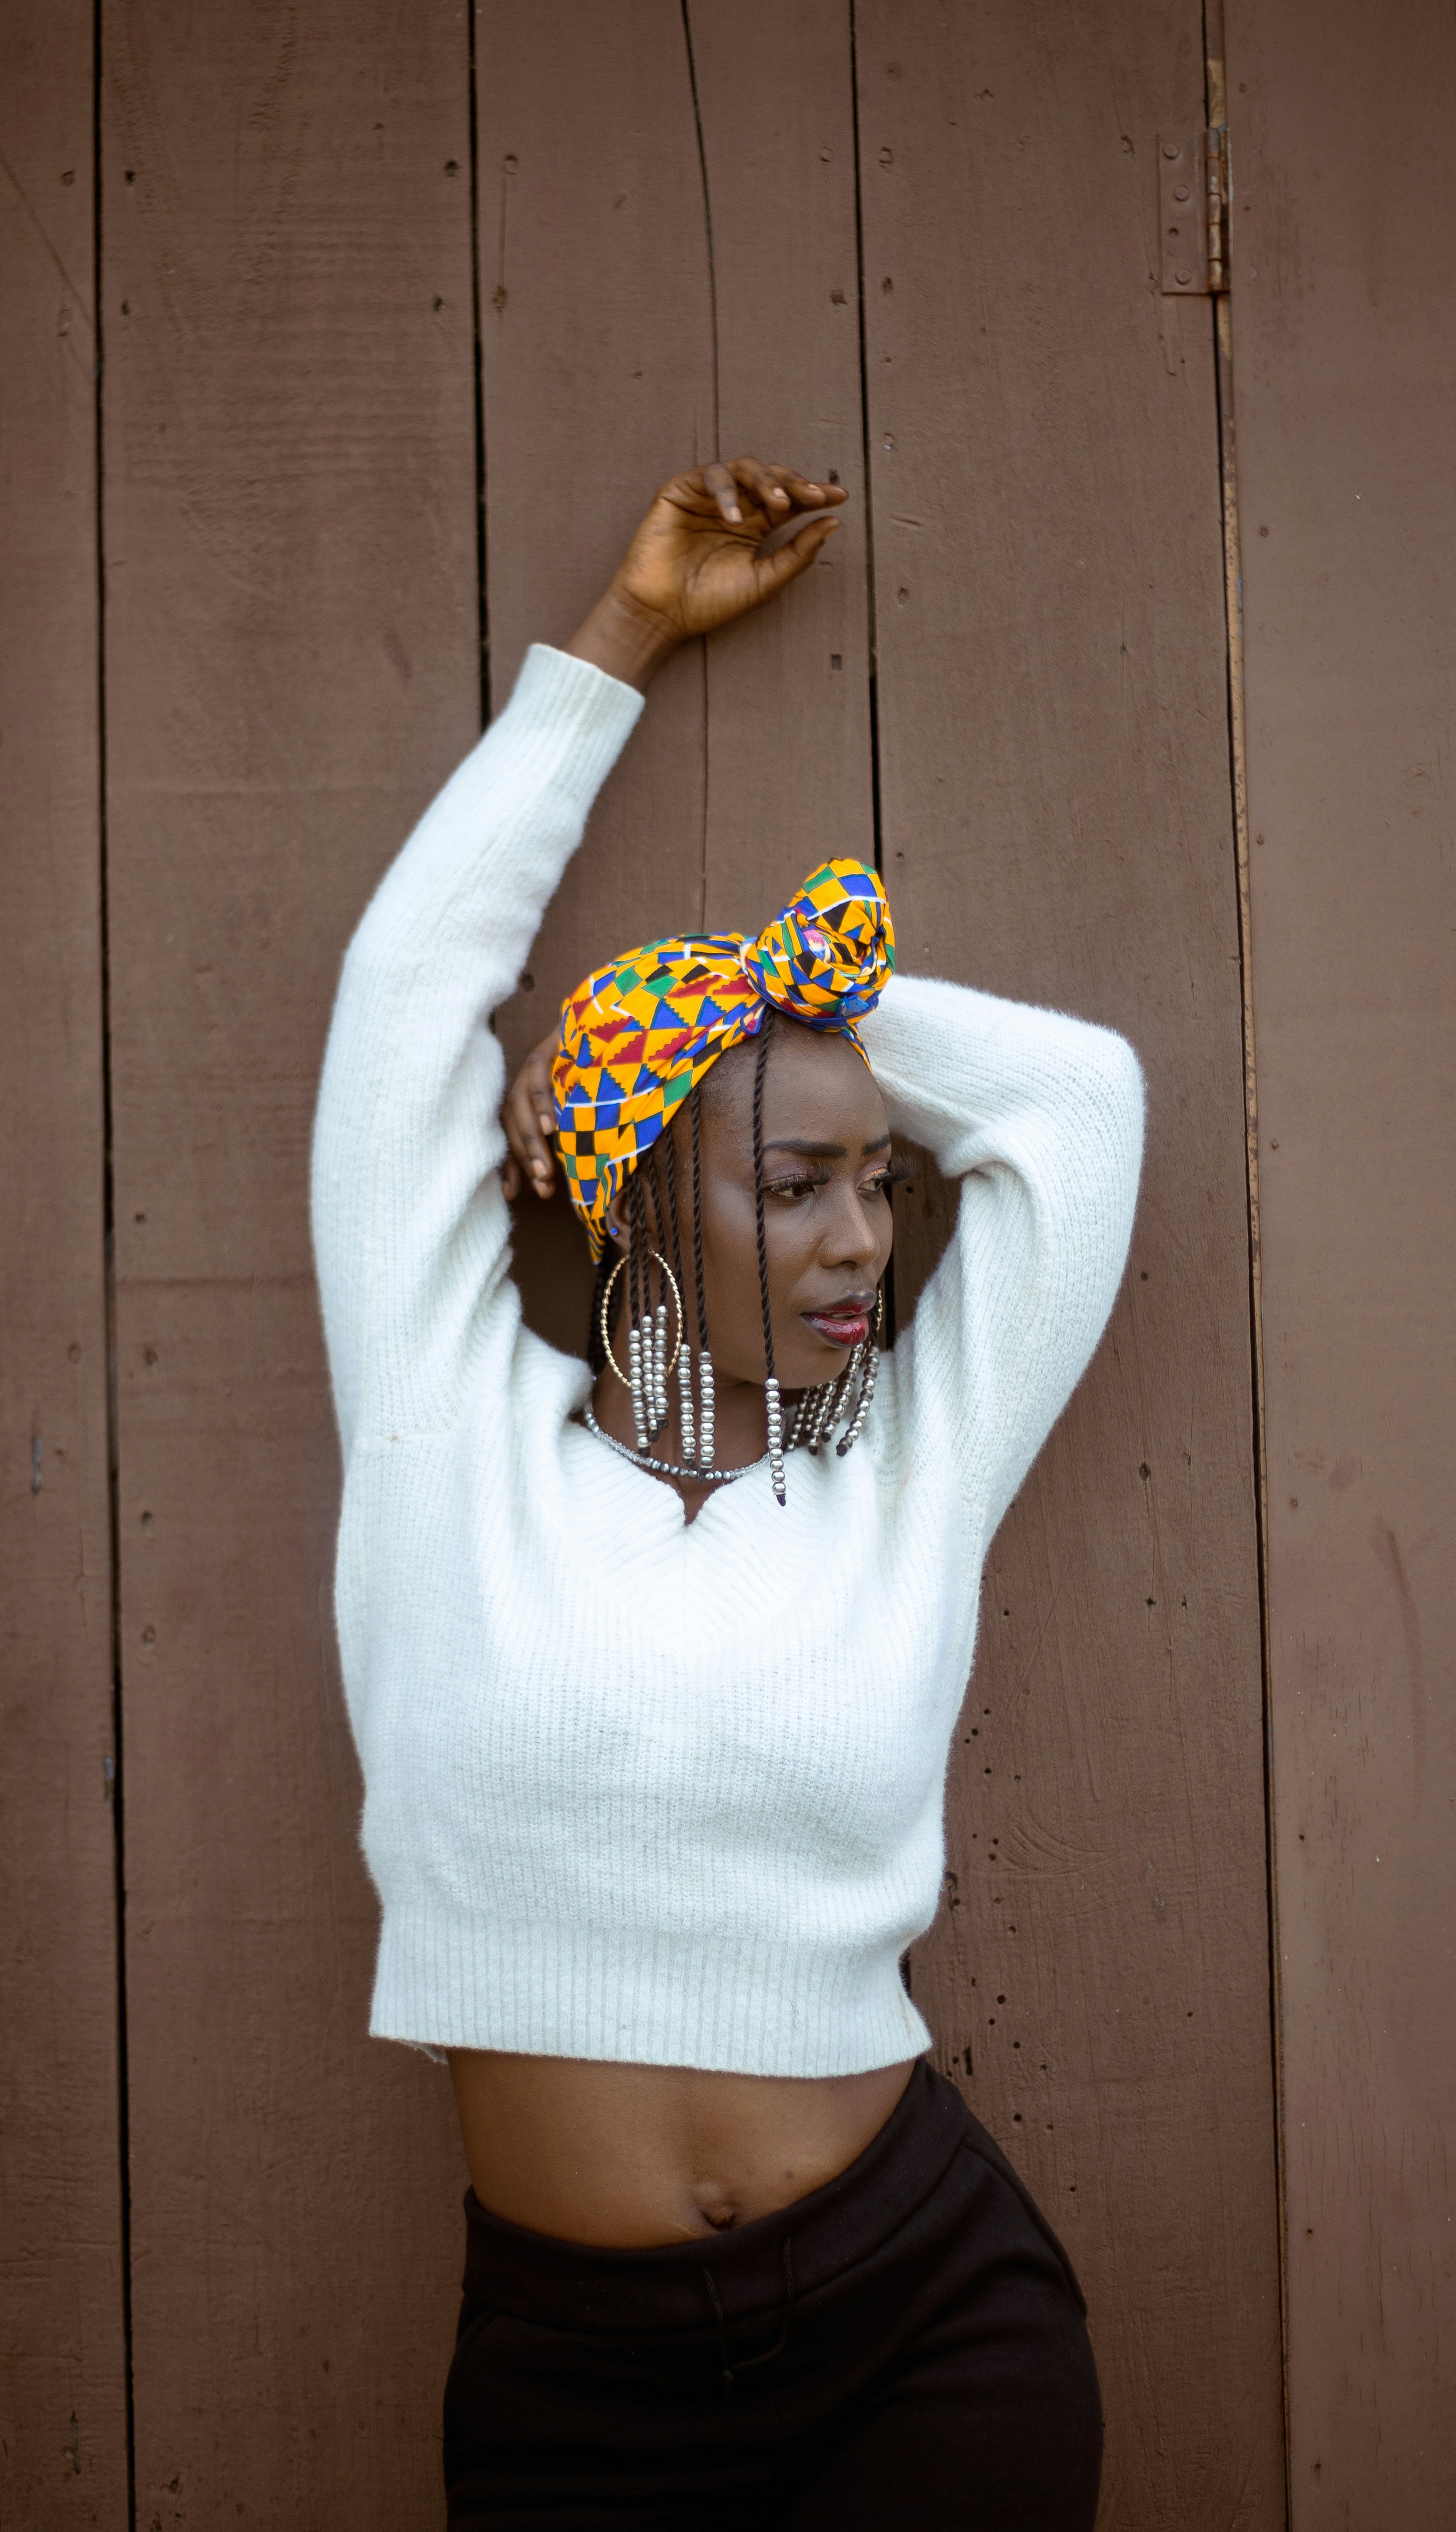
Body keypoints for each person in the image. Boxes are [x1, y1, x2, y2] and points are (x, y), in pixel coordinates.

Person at [311, 456, 1144, 2527]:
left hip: (918, 2309)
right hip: (573, 2384)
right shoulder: (445, 1438)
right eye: (789, 1183)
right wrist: (617, 648)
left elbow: (1075, 1101)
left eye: (876, 1180)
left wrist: (758, 1005)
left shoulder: (906, 1482)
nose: (866, 1235)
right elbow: (406, 1005)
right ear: (633, 1215)